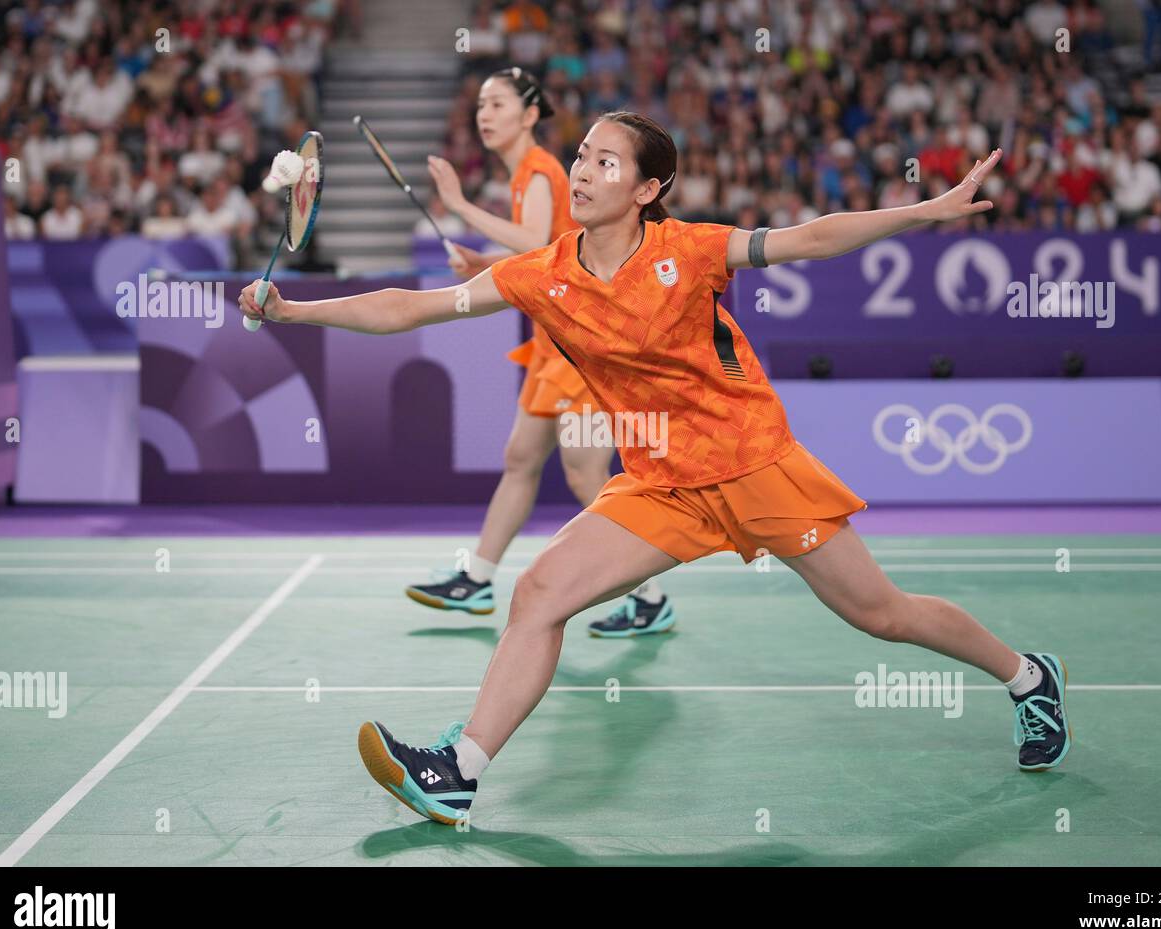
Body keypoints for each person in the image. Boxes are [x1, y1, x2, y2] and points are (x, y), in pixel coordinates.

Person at [239, 112, 1072, 826]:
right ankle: (458, 773)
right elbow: (410, 307)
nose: (584, 169)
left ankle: (1029, 674)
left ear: (646, 189)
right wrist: (292, 309)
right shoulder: (545, 271)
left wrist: (929, 209)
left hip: (754, 464)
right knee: (539, 594)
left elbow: (813, 236)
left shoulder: (692, 250)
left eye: (606, 160)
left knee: (882, 615)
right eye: (581, 156)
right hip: (660, 482)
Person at [408, 68, 678, 638]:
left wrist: (457, 203)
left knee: (585, 475)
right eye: (481, 104)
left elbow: (534, 243)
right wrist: (483, 266)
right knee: (521, 460)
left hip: (578, 344)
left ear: (529, 115)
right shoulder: (525, 175)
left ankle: (650, 595)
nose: (486, 114)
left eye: (499, 103)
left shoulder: (538, 170)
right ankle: (478, 578)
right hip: (549, 344)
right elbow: (548, 256)